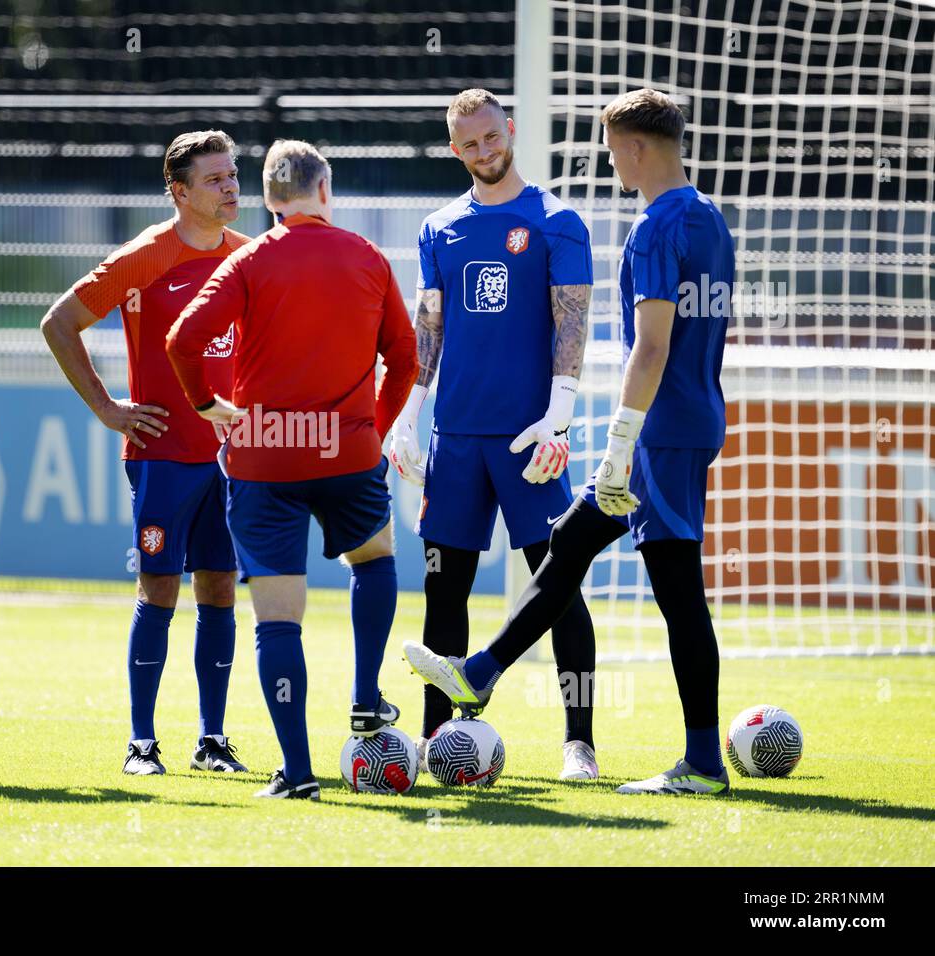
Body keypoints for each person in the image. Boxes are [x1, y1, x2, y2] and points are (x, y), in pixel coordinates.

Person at [403, 89, 737, 795]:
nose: (611, 160)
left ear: (637, 149)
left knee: (665, 588)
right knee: (575, 549)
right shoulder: (711, 218)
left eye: (614, 149)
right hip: (685, 423)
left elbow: (649, 349)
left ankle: (686, 759)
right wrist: (413, 414)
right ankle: (478, 676)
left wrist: (615, 439)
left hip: (653, 434)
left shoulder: (648, 228)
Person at [166, 139, 417, 799]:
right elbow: (407, 356)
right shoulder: (365, 256)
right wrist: (374, 430)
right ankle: (366, 696)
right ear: (324, 189)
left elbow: (183, 340)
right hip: (347, 454)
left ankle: (298, 771)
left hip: (265, 455)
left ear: (269, 200)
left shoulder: (249, 260)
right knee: (373, 559)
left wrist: (205, 404)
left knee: (279, 617)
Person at [386, 88, 600, 780]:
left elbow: (572, 321)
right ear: (455, 150)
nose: (484, 151)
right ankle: (431, 739)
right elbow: (432, 324)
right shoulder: (438, 226)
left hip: (530, 440)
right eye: (469, 144)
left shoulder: (557, 220)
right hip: (455, 442)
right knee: (445, 592)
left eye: (491, 136)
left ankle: (579, 743)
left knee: (557, 584)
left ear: (510, 128)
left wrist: (559, 410)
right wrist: (409, 411)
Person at [41, 130, 251, 776]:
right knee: (158, 587)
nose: (230, 187)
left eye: (233, 174)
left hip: (231, 461)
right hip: (162, 457)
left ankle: (212, 741)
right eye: (214, 179)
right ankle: (141, 744)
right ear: (179, 192)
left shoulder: (250, 256)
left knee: (219, 589)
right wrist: (109, 409)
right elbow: (58, 323)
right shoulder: (145, 257)